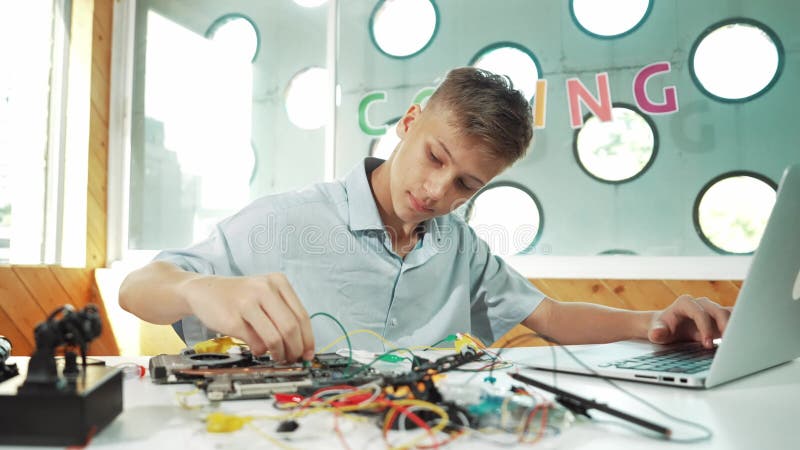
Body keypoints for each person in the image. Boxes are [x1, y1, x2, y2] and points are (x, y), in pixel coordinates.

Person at [119, 67, 731, 363]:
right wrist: (202, 290)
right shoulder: (286, 219)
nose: (437, 192)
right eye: (434, 156)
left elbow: (551, 315)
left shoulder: (459, 247)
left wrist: (655, 320)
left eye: (466, 184)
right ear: (409, 124)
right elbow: (138, 288)